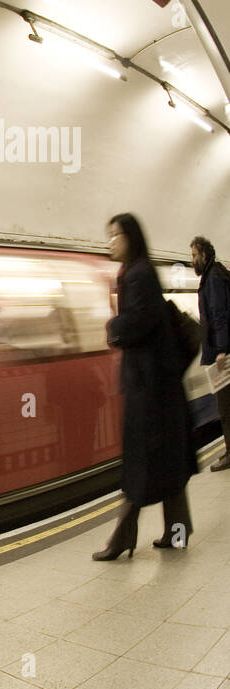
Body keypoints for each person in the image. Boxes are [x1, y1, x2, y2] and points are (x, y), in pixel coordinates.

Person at [93, 213, 196, 560]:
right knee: (168, 462)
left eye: (115, 235)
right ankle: (177, 532)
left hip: (150, 389)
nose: (110, 242)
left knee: (141, 463)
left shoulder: (137, 274)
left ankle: (122, 538)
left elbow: (137, 324)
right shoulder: (140, 272)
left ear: (130, 237)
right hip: (158, 386)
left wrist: (112, 324)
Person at [191, 235, 230, 471]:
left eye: (194, 255)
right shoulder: (216, 274)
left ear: (204, 255)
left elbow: (219, 314)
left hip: (221, 354)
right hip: (220, 350)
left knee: (224, 406)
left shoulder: (213, 278)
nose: (192, 259)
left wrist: (222, 349)